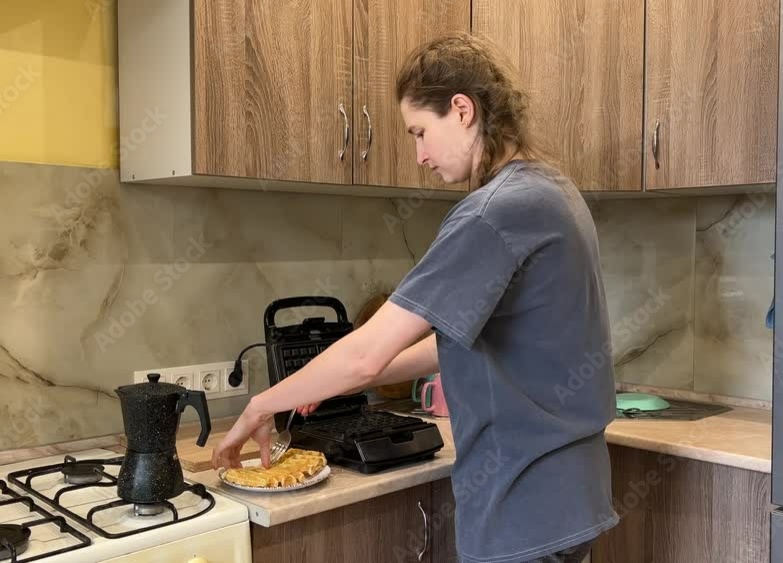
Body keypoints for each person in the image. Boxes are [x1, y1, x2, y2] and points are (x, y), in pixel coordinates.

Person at [212, 32, 619, 563]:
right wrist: (330, 383)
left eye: (420, 132)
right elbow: (456, 345)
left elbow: (364, 354)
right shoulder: (554, 192)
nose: (420, 155)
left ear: (463, 110)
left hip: (520, 507)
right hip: (572, 502)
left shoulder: (492, 213)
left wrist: (264, 403)